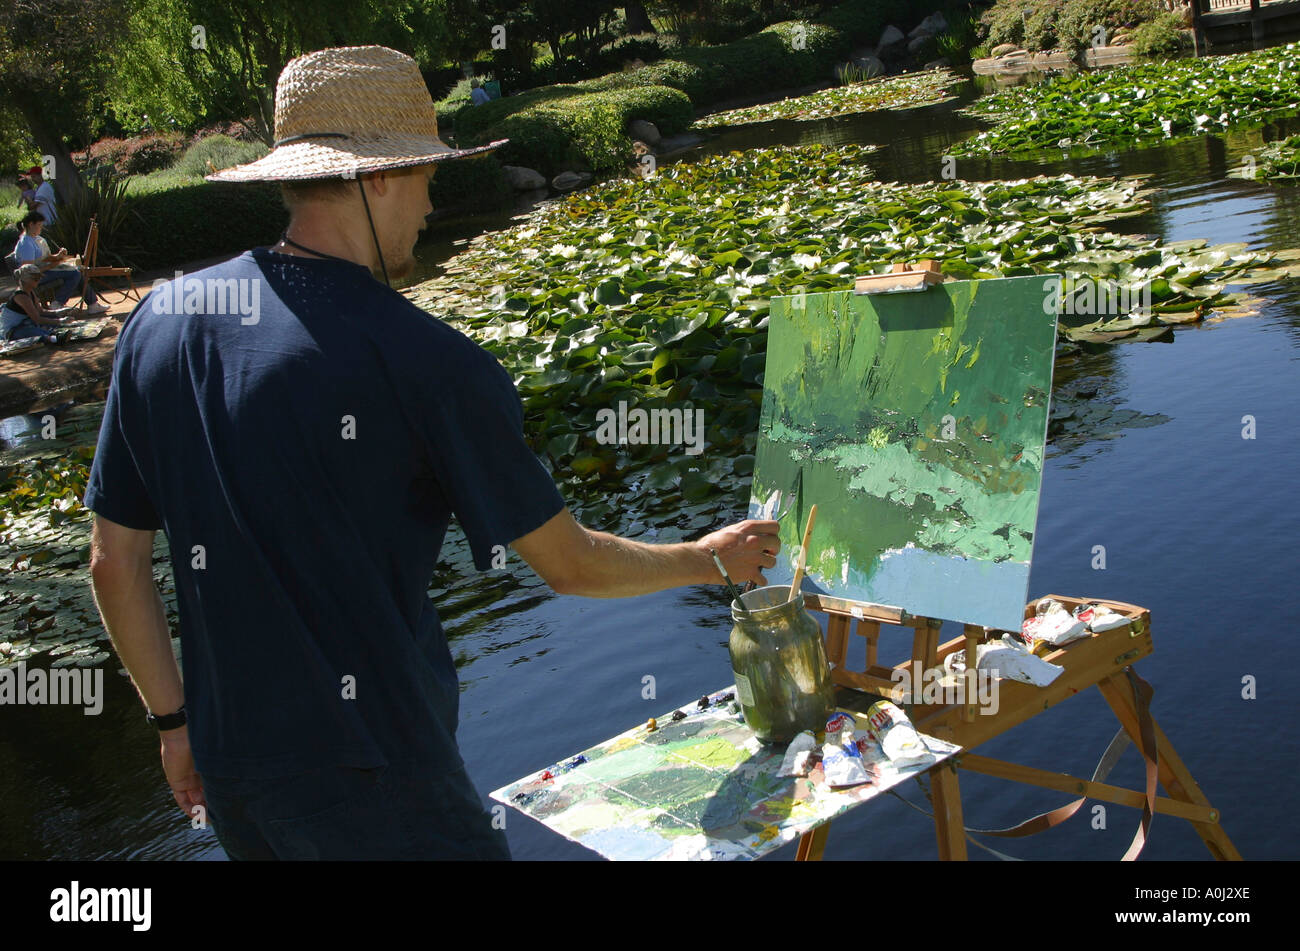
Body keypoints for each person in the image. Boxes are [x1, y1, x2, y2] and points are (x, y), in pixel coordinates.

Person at [84, 45, 779, 861]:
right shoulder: (427, 360)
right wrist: (707, 558)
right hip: (385, 782)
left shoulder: (161, 322)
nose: (430, 199)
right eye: (423, 175)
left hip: (236, 779)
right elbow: (571, 564)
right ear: (373, 178)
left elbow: (112, 562)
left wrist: (174, 726)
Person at [13, 211, 107, 314]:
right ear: (31, 224)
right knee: (75, 273)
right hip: (35, 277)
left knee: (78, 271)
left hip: (44, 271)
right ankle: (58, 303)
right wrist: (51, 266)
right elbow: (28, 271)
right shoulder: (25, 244)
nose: (41, 228)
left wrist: (58, 256)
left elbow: (45, 257)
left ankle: (92, 304)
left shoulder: (37, 239)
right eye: (39, 225)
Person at [2, 263, 67, 344]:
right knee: (31, 331)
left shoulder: (30, 292)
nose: (39, 280)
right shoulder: (21, 296)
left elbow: (40, 311)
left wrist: (59, 312)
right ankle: (53, 338)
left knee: (48, 324)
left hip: (26, 323)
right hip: (13, 331)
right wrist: (60, 321)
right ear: (26, 279)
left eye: (39, 278)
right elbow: (37, 319)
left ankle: (52, 335)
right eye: (36, 278)